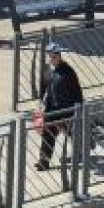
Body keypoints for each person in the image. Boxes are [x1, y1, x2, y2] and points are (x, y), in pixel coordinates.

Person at [36, 42, 84, 171]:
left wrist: (78, 109)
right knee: (48, 134)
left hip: (66, 109)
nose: (52, 59)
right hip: (51, 109)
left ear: (59, 56)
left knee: (72, 133)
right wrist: (41, 104)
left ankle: (83, 147)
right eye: (50, 56)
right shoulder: (46, 70)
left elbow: (77, 92)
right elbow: (43, 88)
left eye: (54, 56)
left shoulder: (68, 72)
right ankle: (44, 161)